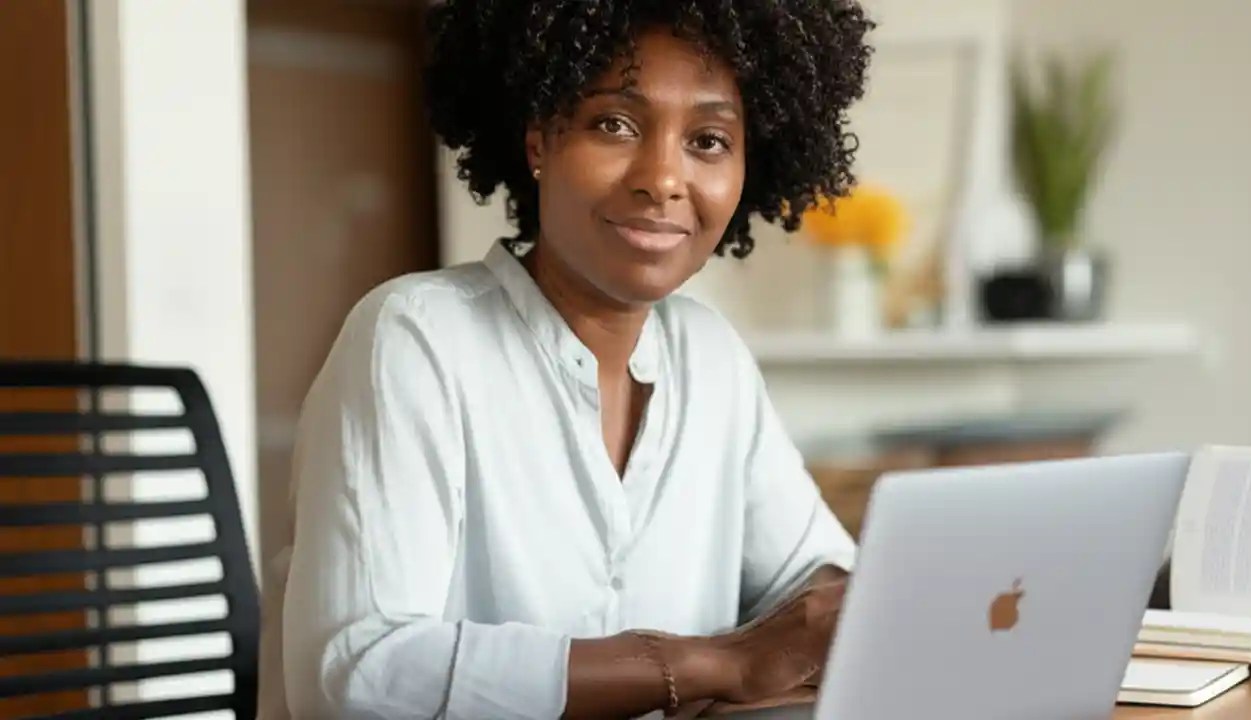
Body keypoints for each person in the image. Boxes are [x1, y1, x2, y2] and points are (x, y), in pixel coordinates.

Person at [257, 1, 875, 718]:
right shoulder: (414, 338)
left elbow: (811, 578)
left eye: (708, 140)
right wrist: (710, 664)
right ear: (539, 139)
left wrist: (849, 611)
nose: (663, 178)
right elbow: (357, 675)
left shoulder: (711, 359)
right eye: (614, 124)